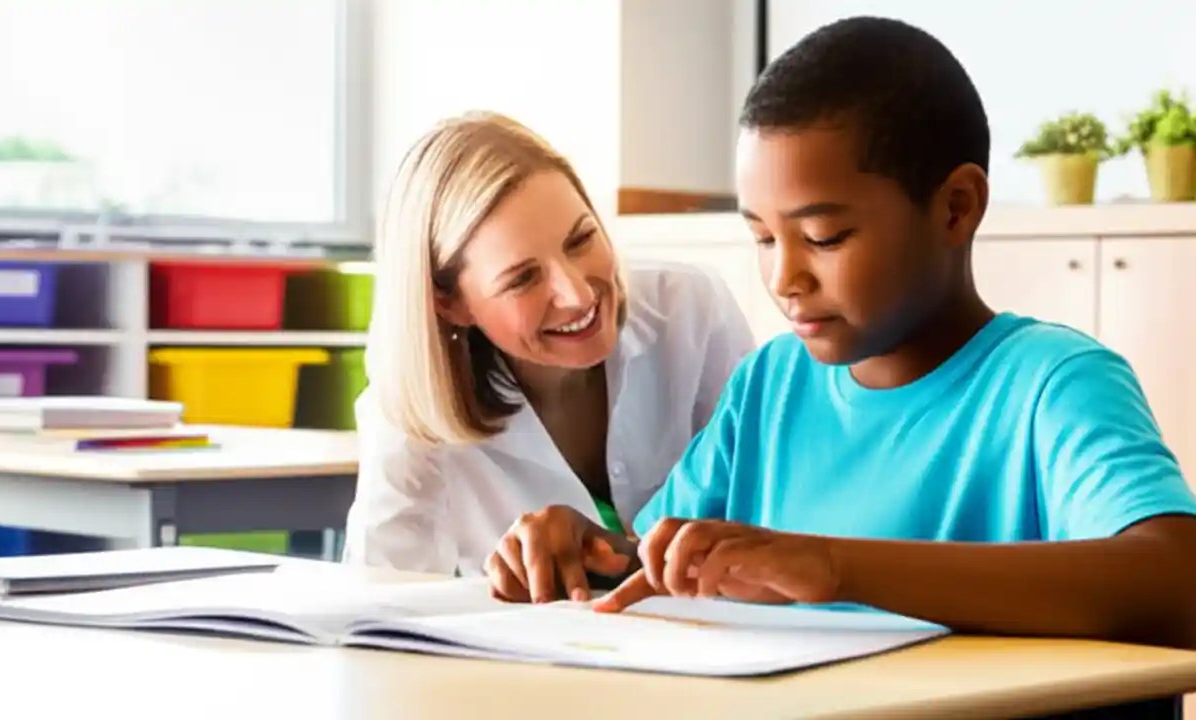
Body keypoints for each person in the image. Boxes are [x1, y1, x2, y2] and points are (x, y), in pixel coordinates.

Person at [486, 17, 1196, 648]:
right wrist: (595, 552)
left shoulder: (1052, 382)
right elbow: (665, 560)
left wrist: (832, 566)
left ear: (956, 208)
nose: (784, 276)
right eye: (763, 238)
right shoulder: (770, 385)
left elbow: (1175, 579)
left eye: (824, 236)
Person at [341, 111, 755, 584]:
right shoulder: (412, 409)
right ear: (449, 302)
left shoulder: (690, 309)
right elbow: (380, 600)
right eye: (523, 278)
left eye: (581, 239)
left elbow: (769, 514)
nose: (578, 294)